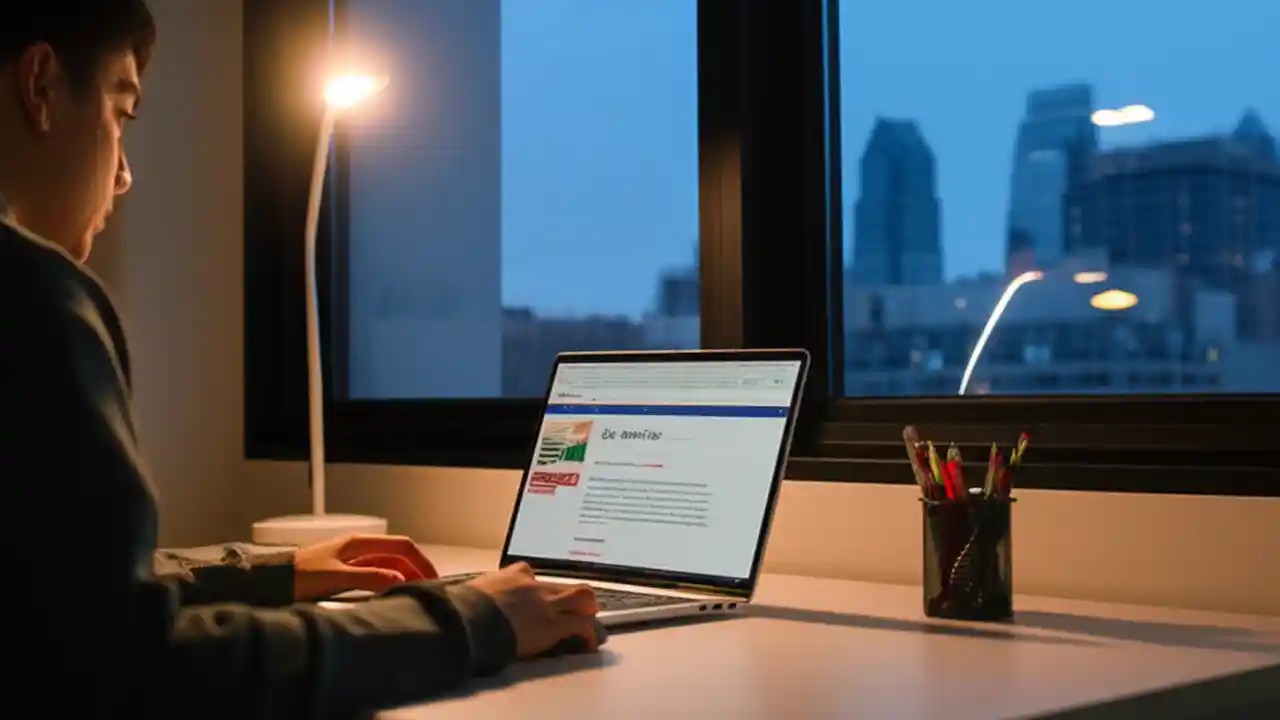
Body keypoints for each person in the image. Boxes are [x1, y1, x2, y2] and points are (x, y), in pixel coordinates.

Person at [0, 3, 600, 718]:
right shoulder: (32, 298)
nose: (124, 175)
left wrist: (268, 575)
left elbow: (49, 604)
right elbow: (135, 666)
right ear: (39, 86)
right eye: (121, 113)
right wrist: (473, 621)